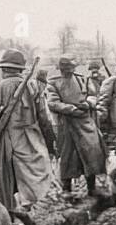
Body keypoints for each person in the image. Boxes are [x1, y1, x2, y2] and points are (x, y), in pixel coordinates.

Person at [0, 49, 56, 208]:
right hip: (31, 144)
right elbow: (45, 120)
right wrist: (51, 146)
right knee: (40, 188)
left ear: (3, 69)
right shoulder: (33, 87)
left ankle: (9, 222)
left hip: (3, 144)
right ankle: (39, 220)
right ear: (20, 69)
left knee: (5, 189)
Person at [45, 56, 106, 196]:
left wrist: (88, 104)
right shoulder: (53, 83)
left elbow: (93, 95)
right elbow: (53, 103)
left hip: (86, 122)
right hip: (67, 123)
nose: (69, 71)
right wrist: (72, 109)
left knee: (92, 152)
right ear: (60, 69)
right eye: (66, 68)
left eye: (71, 68)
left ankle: (92, 188)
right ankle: (67, 189)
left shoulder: (82, 79)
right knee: (68, 156)